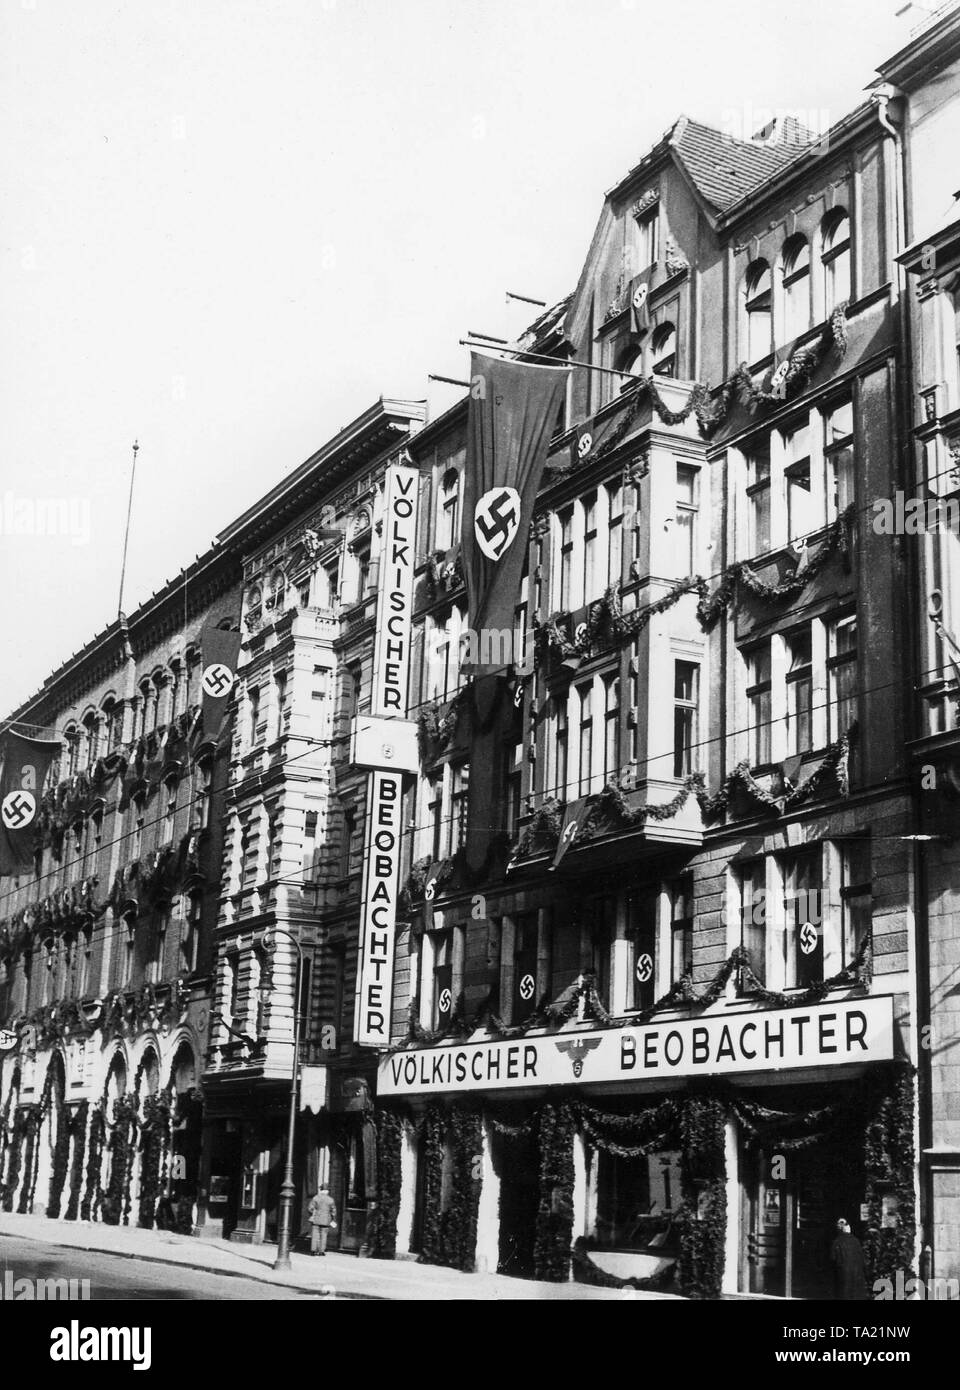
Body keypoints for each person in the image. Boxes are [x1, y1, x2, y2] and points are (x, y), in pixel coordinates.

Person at [830, 1217, 870, 1300]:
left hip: (843, 1277)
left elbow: (833, 1259)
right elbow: (862, 1260)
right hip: (857, 1276)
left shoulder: (837, 1242)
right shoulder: (856, 1241)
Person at [307, 1184, 337, 1256]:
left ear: (321, 1190)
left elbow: (310, 1208)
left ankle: (313, 1251)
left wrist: (313, 1213)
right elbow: (333, 1211)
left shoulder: (316, 1198)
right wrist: (333, 1219)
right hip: (326, 1220)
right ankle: (321, 1251)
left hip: (316, 1219)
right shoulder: (330, 1200)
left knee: (315, 1235)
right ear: (327, 1191)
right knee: (324, 1235)